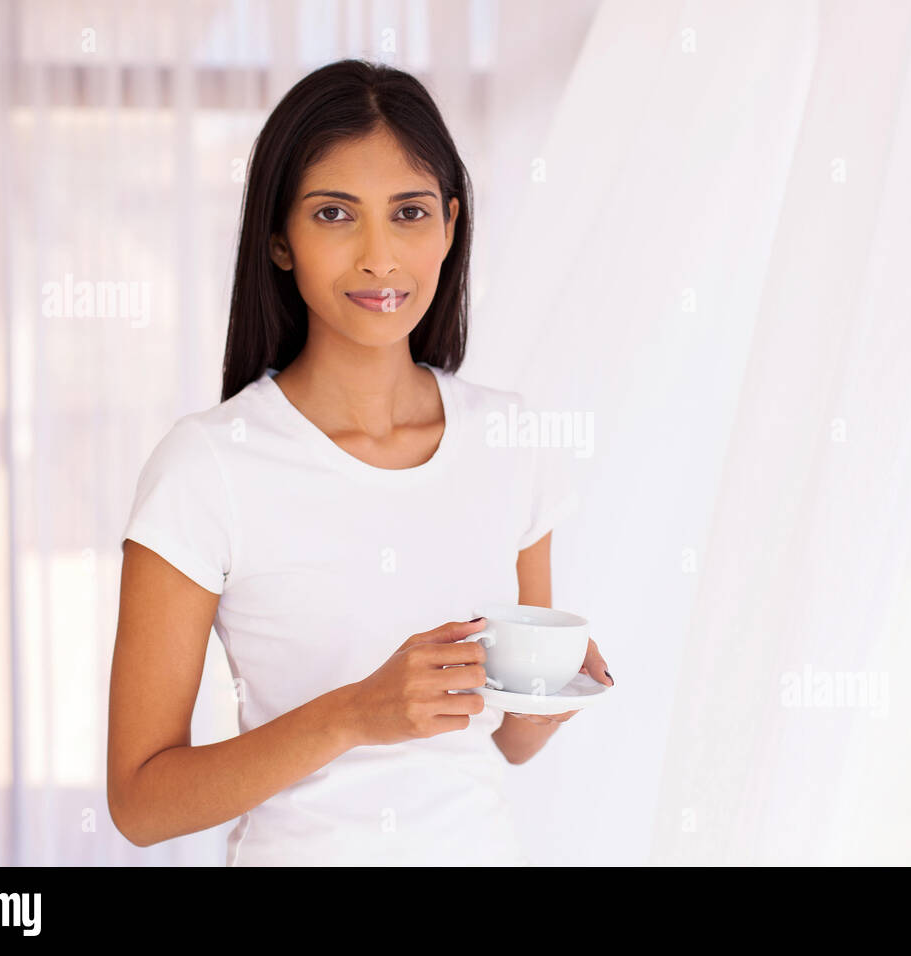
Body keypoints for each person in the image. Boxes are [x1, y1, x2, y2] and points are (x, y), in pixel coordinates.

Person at [106, 59, 613, 866]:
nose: (380, 257)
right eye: (336, 214)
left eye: (408, 213)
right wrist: (351, 715)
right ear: (280, 240)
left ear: (449, 226)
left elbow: (508, 742)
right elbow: (140, 802)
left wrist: (552, 698)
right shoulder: (207, 468)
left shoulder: (512, 440)